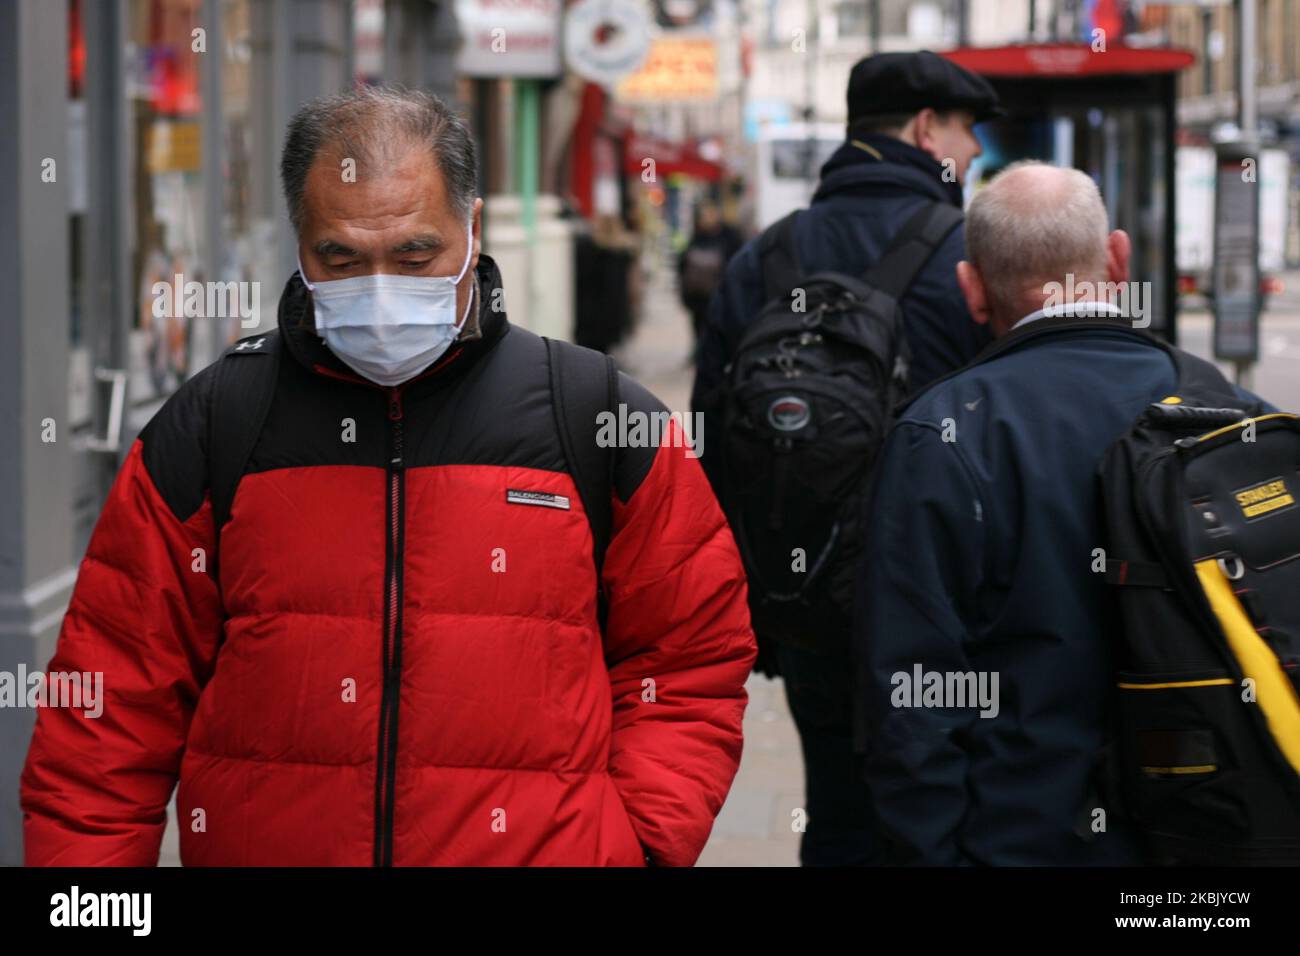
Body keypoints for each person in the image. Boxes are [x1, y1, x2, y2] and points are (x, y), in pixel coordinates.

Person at [21, 87, 756, 867]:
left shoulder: (598, 415)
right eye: (339, 258)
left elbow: (689, 658)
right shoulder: (216, 423)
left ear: (472, 230)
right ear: (299, 244)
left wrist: (632, 843)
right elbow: (108, 706)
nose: (378, 289)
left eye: (414, 255)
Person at [854, 161, 1268, 865]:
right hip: (1224, 840)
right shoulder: (1231, 414)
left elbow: (909, 697)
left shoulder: (945, 435)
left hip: (1023, 839)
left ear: (973, 290)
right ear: (1116, 258)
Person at [691, 50, 1000, 866]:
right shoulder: (969, 252)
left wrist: (756, 608)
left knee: (833, 804)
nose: (972, 155)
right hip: (946, 606)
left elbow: (710, 437)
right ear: (926, 129)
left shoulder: (763, 257)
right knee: (944, 807)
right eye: (967, 134)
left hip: (807, 602)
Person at [677, 200, 743, 348]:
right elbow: (683, 264)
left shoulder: (728, 236)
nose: (708, 218)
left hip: (716, 293)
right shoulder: (697, 237)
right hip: (698, 295)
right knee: (699, 325)